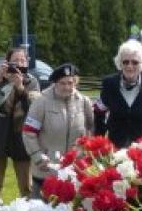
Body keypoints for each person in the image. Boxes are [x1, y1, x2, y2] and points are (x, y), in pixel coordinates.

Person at [0, 46, 41, 211]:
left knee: (26, 187)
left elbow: (33, 108)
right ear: (6, 62)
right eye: (15, 61)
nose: (19, 65)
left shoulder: (32, 82)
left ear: (27, 62)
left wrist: (20, 86)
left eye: (22, 61)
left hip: (21, 138)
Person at [22, 63, 94, 199]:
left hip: (75, 171)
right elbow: (28, 133)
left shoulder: (84, 101)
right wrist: (38, 157)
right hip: (47, 171)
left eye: (70, 83)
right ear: (55, 83)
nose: (67, 87)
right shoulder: (41, 102)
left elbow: (90, 129)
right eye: (62, 83)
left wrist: (85, 155)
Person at [94, 40, 142, 147]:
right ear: (120, 63)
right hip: (115, 147)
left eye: (135, 62)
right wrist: (100, 140)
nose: (130, 66)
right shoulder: (109, 83)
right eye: (125, 62)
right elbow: (99, 112)